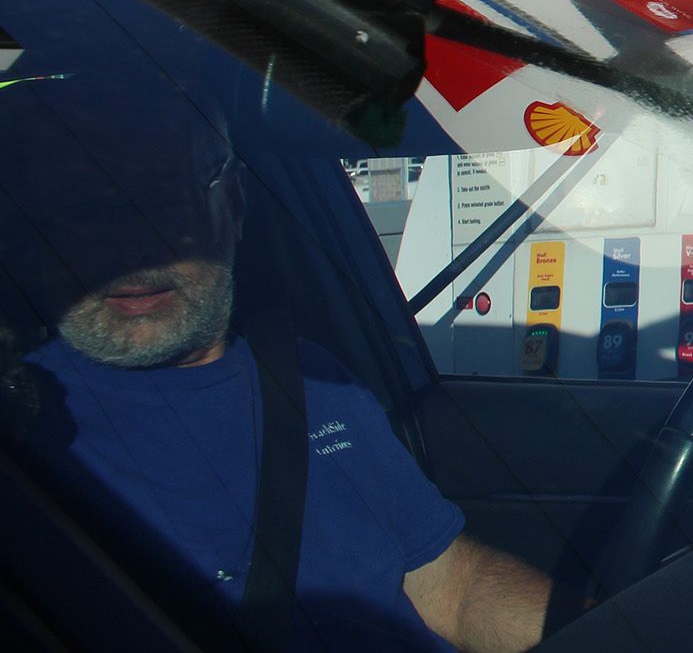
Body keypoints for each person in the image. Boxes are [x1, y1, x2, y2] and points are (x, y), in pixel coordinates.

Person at [0, 113, 563, 652]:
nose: (126, 248)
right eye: (80, 211)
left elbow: (453, 589)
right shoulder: (24, 421)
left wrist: (596, 632)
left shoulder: (311, 377)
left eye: (161, 201)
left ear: (234, 202)